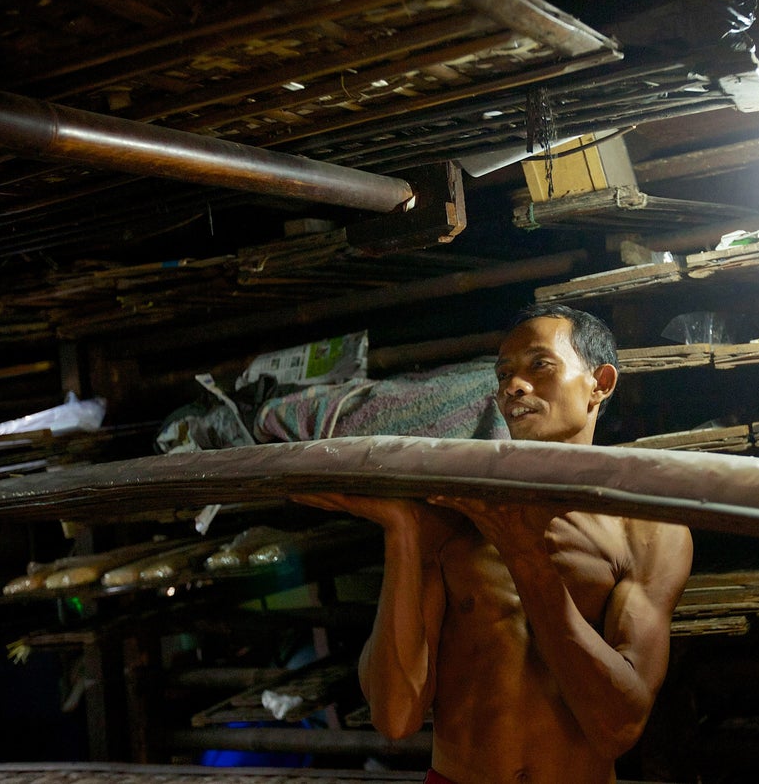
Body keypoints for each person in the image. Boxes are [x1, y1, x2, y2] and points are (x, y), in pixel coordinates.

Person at [296, 304, 693, 784]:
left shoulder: (647, 529)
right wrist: (402, 529)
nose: (513, 386)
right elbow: (395, 717)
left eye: (538, 365)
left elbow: (619, 728)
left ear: (600, 383)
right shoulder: (453, 518)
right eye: (504, 373)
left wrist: (524, 554)